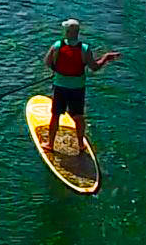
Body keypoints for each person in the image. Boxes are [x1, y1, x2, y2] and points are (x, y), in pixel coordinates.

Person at [41, 18, 121, 157]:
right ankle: (81, 145)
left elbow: (47, 62)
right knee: (78, 116)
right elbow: (94, 67)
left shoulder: (57, 45)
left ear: (67, 32)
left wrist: (58, 70)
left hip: (60, 86)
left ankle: (50, 144)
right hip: (77, 88)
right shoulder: (85, 49)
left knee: (55, 115)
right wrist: (106, 57)